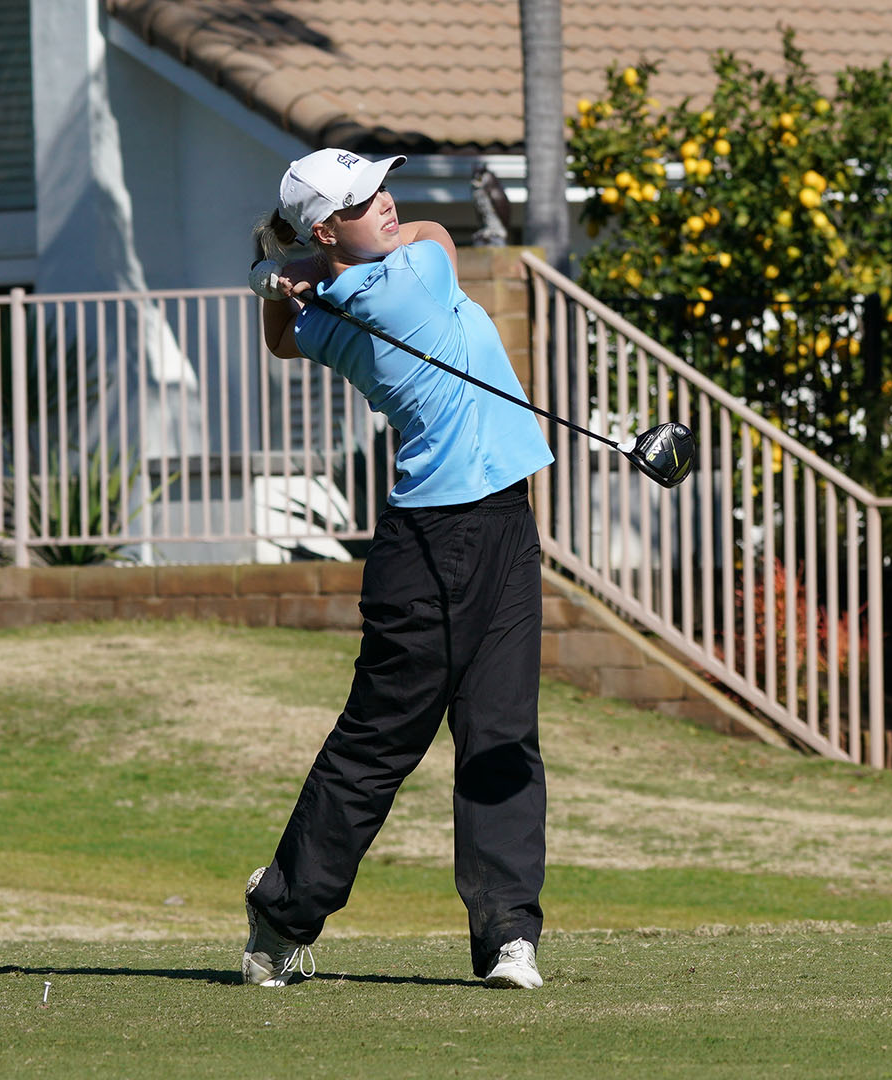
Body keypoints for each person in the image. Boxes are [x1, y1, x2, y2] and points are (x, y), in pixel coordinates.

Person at [239, 148, 555, 989]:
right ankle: (281, 911)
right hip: (433, 546)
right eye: (363, 198)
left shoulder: (325, 313)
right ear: (325, 224)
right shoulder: (409, 277)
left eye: (382, 187)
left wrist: (286, 278)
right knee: (382, 742)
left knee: (501, 736)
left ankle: (507, 936)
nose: (388, 203)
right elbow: (435, 232)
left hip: (500, 525)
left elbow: (280, 338)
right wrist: (298, 270)